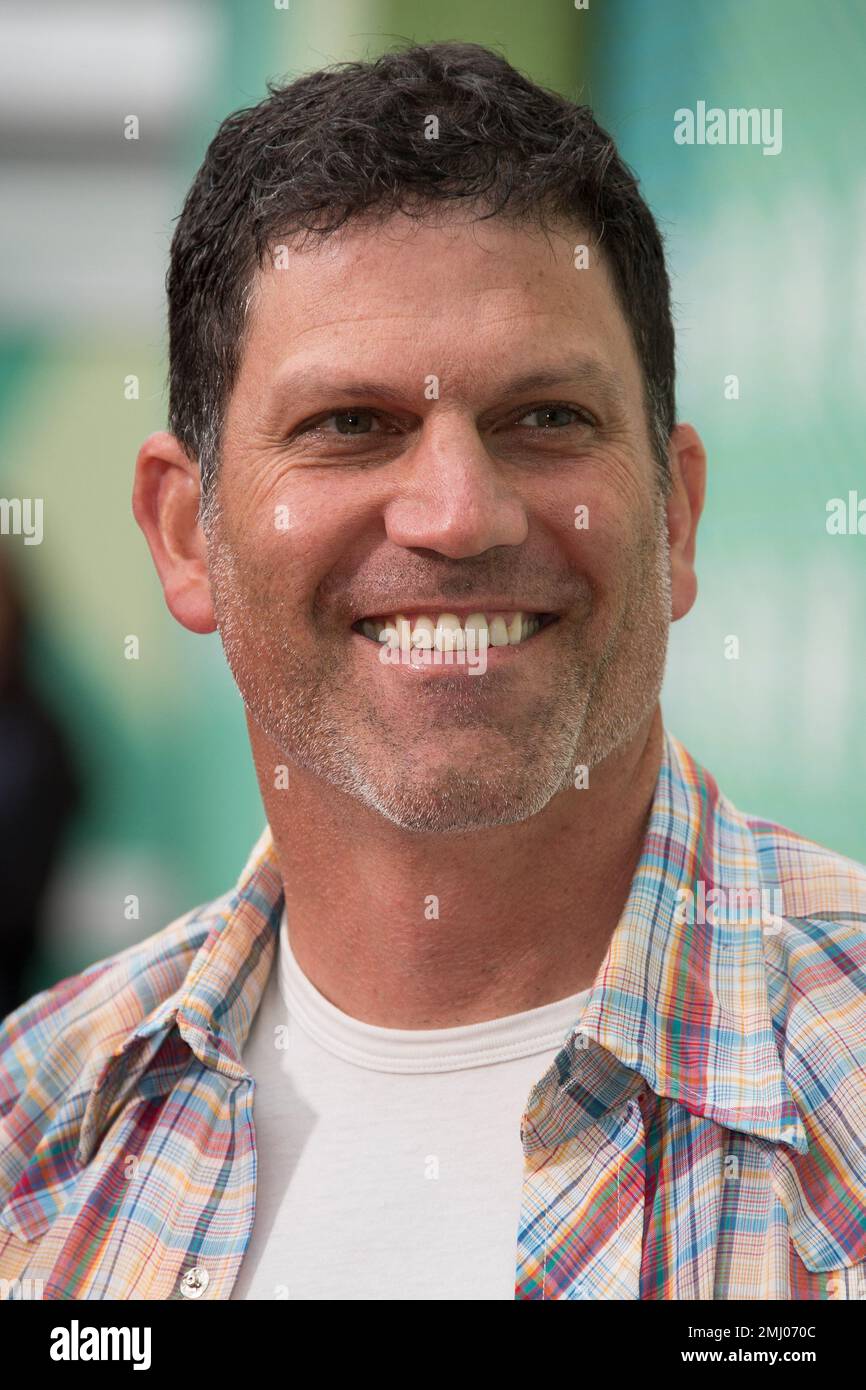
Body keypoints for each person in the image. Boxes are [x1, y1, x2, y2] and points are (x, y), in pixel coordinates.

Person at [1, 41, 864, 1302]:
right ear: (187, 535)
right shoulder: (37, 1132)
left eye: (546, 419)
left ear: (673, 517)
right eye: (351, 425)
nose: (458, 515)